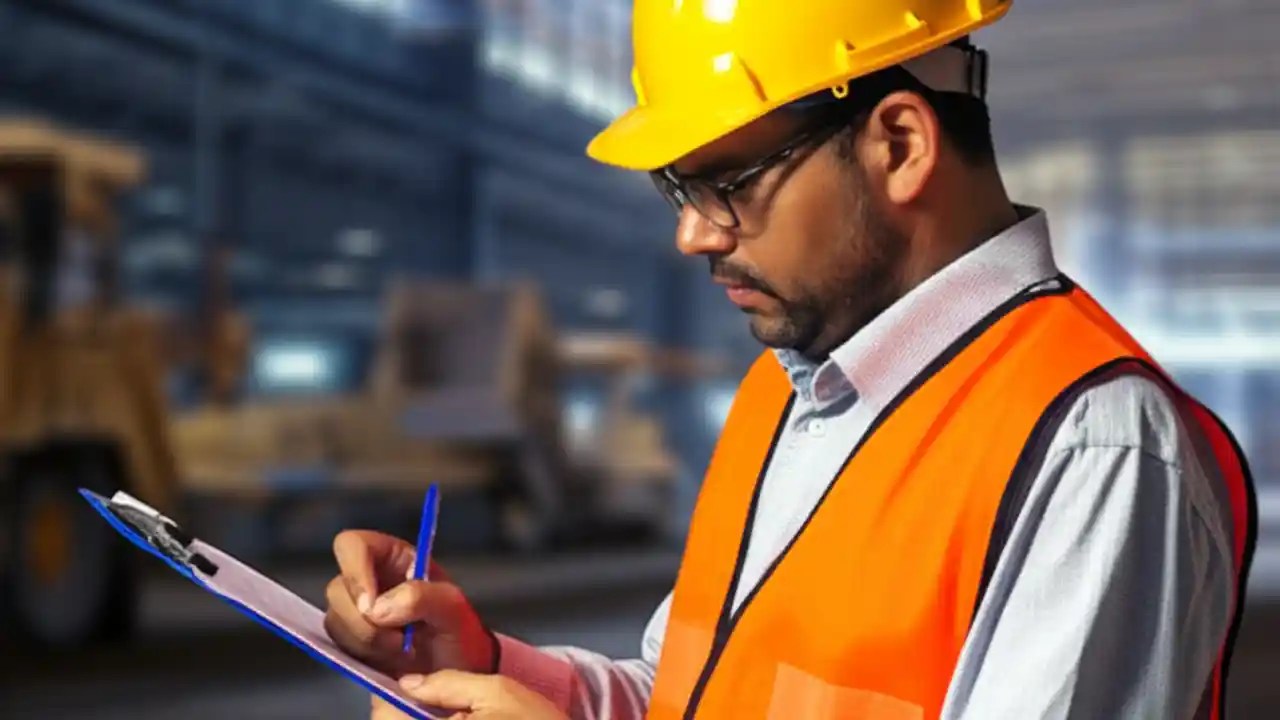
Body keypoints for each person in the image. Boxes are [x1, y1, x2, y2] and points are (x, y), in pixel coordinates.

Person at [325, 1, 1258, 718]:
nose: (694, 234)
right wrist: (487, 669)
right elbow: (694, 692)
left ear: (899, 145)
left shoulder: (1093, 447)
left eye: (726, 183)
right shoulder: (790, 393)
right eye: (677, 190)